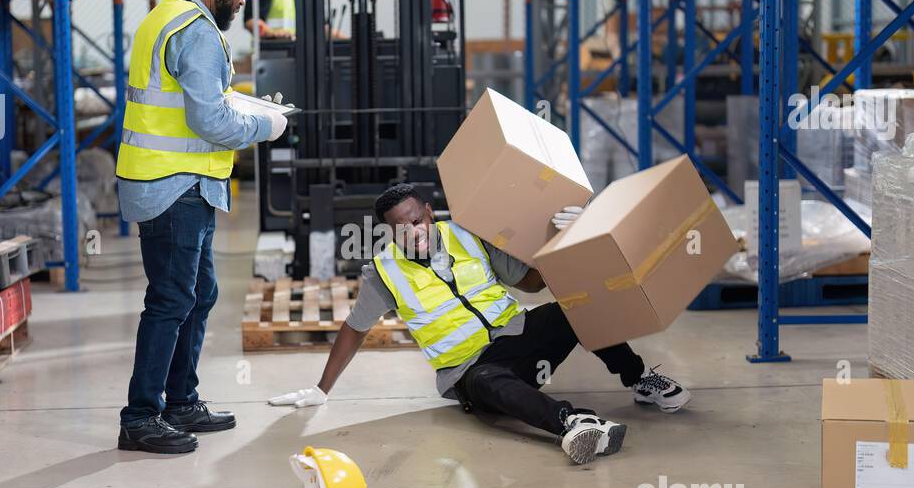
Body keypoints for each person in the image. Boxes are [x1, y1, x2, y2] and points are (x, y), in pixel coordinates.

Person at [268, 184, 691, 464]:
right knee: (488, 381)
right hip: (470, 368)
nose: (412, 232)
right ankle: (573, 425)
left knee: (575, 304)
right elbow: (355, 328)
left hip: (519, 337)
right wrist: (322, 389)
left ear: (429, 213)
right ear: (388, 233)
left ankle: (640, 380)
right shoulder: (384, 272)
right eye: (400, 229)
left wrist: (561, 237)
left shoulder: (468, 236)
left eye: (417, 221)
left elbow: (534, 281)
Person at [116, 0, 289, 455]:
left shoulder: (166, 17)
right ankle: (141, 416)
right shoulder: (195, 28)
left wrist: (248, 106)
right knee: (170, 300)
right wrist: (268, 126)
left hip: (179, 182)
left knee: (200, 293)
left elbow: (196, 101)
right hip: (173, 187)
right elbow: (210, 120)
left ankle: (181, 401)